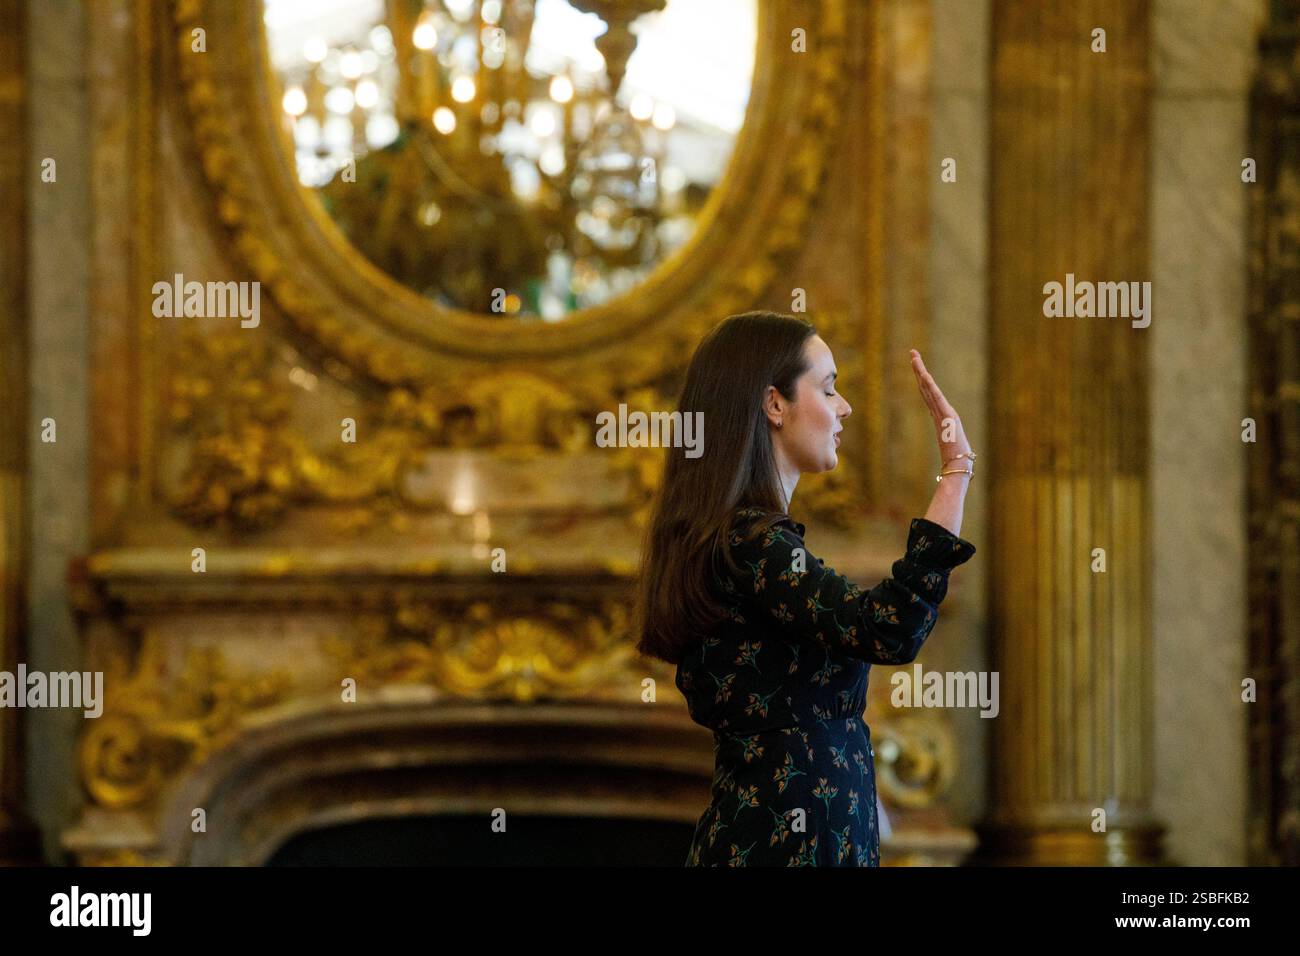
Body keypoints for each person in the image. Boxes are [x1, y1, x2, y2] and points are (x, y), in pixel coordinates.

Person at [634, 310, 977, 866]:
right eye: (828, 388)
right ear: (774, 404)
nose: (844, 407)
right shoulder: (751, 542)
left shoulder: (745, 540)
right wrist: (955, 470)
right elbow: (888, 628)